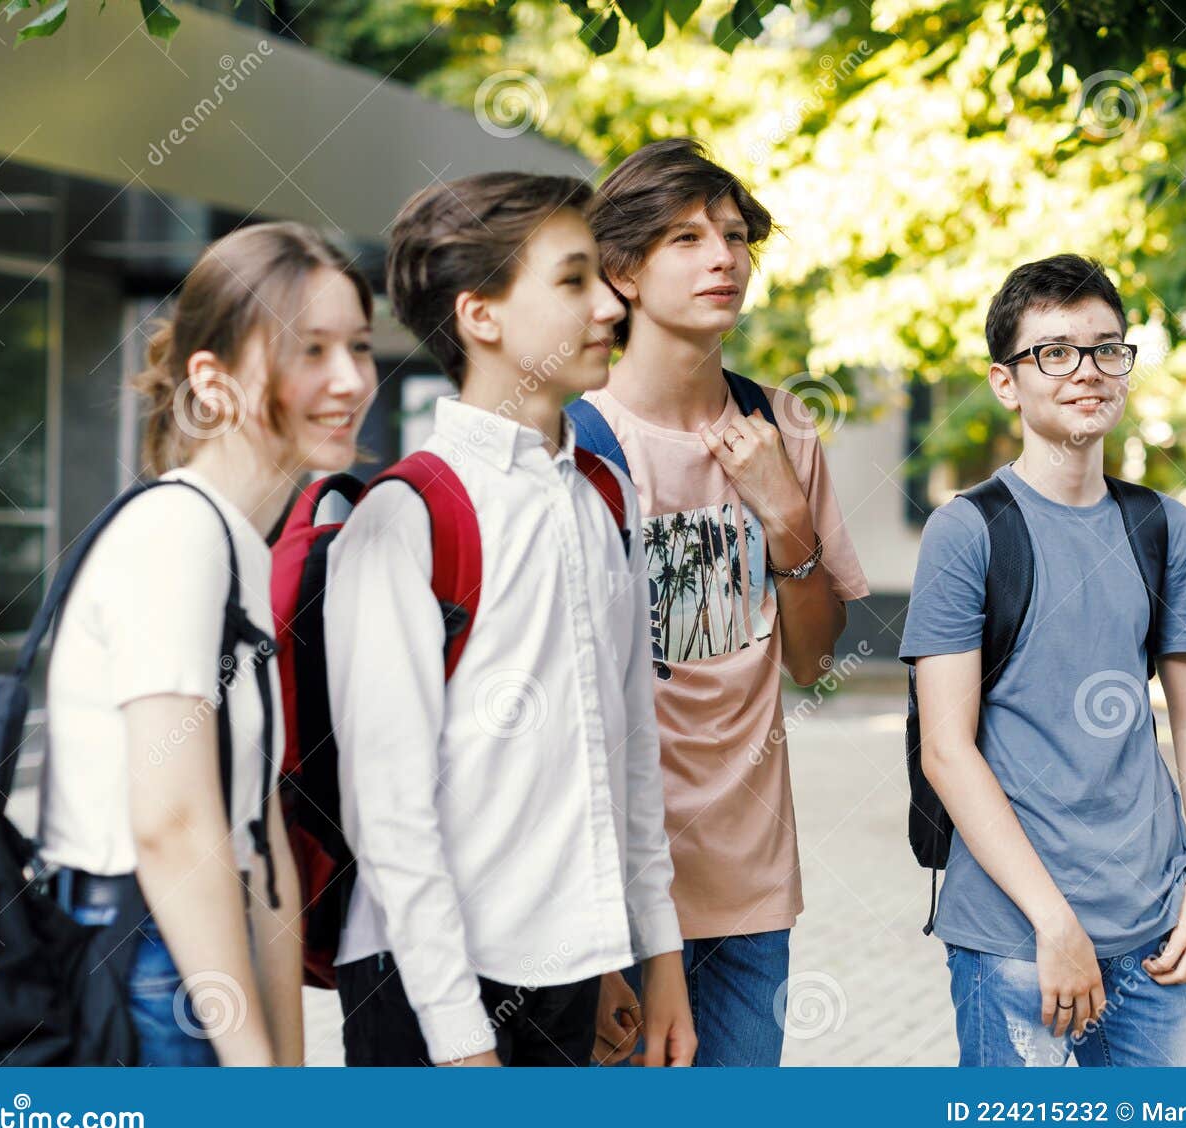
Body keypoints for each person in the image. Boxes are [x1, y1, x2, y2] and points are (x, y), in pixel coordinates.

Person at [326, 172, 695, 1067]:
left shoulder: (605, 495)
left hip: (570, 980)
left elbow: (629, 750)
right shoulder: (407, 516)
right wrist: (462, 1041)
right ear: (480, 315)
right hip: (426, 988)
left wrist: (647, 955)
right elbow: (388, 812)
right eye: (572, 280)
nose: (611, 304)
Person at [40, 222, 379, 1065]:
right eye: (310, 349)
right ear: (211, 379)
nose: (349, 379)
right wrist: (256, 1066)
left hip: (190, 946)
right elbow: (173, 824)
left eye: (359, 346)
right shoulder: (177, 534)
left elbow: (253, 831)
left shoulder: (235, 542)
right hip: (147, 954)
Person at [900, 253, 1186, 1067]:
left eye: (1105, 348)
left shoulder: (1164, 527)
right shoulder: (967, 531)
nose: (1086, 370)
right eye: (1055, 352)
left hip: (1156, 932)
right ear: (1006, 382)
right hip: (1016, 938)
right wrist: (1054, 922)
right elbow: (946, 749)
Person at [580, 139, 869, 1067]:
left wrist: (785, 515)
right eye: (687, 238)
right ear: (623, 271)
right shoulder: (574, 441)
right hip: (610, 893)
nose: (724, 258)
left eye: (736, 236)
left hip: (749, 889)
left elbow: (813, 661)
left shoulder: (783, 425)